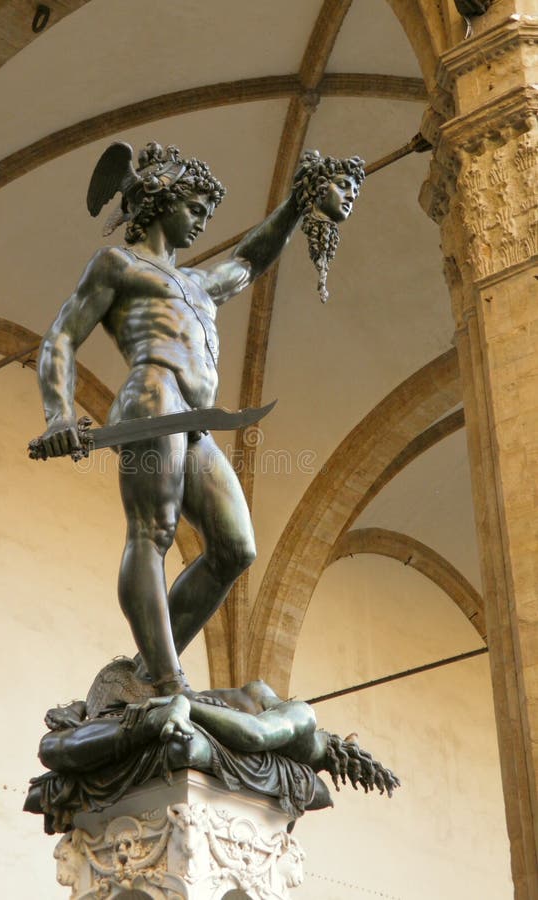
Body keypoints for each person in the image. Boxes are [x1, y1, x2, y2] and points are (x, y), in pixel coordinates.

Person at [31, 142, 363, 696]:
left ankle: (142, 673)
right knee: (153, 531)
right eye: (196, 209)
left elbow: (250, 261)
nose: (204, 221)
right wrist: (58, 414)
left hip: (196, 419)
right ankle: (166, 678)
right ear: (161, 201)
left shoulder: (198, 285)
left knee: (236, 548)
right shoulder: (118, 264)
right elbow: (62, 335)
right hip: (153, 395)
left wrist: (296, 204)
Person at [24, 676, 399, 832]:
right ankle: (82, 718)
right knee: (51, 750)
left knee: (53, 749)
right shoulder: (300, 716)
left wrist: (181, 707)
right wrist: (182, 706)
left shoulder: (292, 755)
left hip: (168, 717)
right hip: (147, 702)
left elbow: (255, 739)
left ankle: (82, 721)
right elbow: (254, 735)